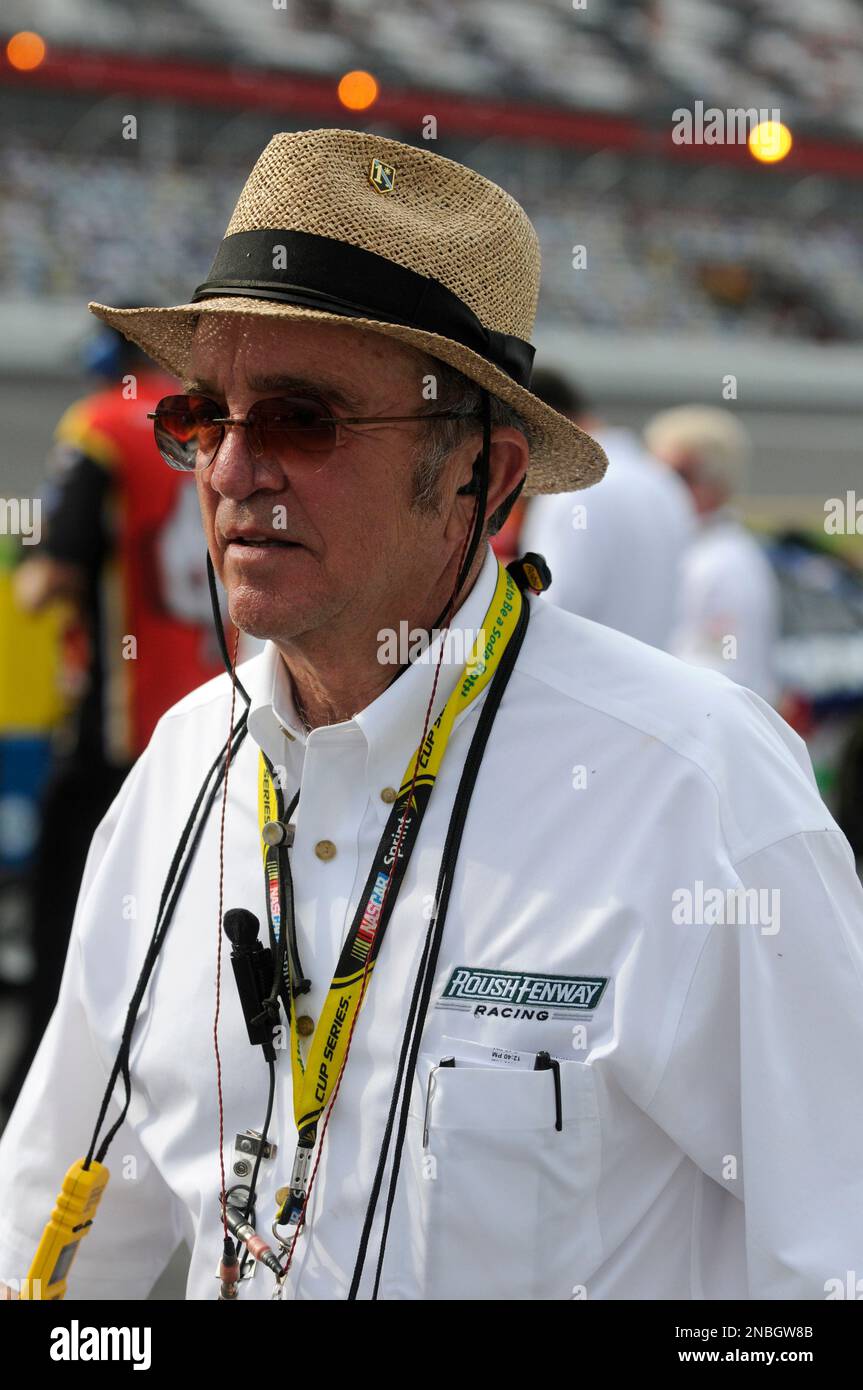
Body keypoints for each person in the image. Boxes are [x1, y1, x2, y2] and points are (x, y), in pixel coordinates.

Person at [1, 129, 862, 1302]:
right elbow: (54, 1237)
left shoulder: (697, 788)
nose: (233, 470)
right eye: (206, 417)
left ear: (485, 479)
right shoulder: (181, 771)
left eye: (301, 419)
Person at [1, 326, 228, 1114]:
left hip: (120, 728)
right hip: (216, 715)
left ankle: (42, 1103)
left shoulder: (100, 424)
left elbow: (48, 579)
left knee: (71, 923)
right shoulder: (212, 424)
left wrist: (25, 557)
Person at [519, 368, 694, 650]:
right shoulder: (662, 481)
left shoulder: (574, 490)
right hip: (654, 667)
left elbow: (551, 606)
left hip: (579, 669)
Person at [645, 405, 781, 702]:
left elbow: (722, 680)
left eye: (679, 476)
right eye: (654, 473)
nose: (661, 486)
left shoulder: (724, 564)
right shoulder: (687, 549)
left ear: (718, 485)